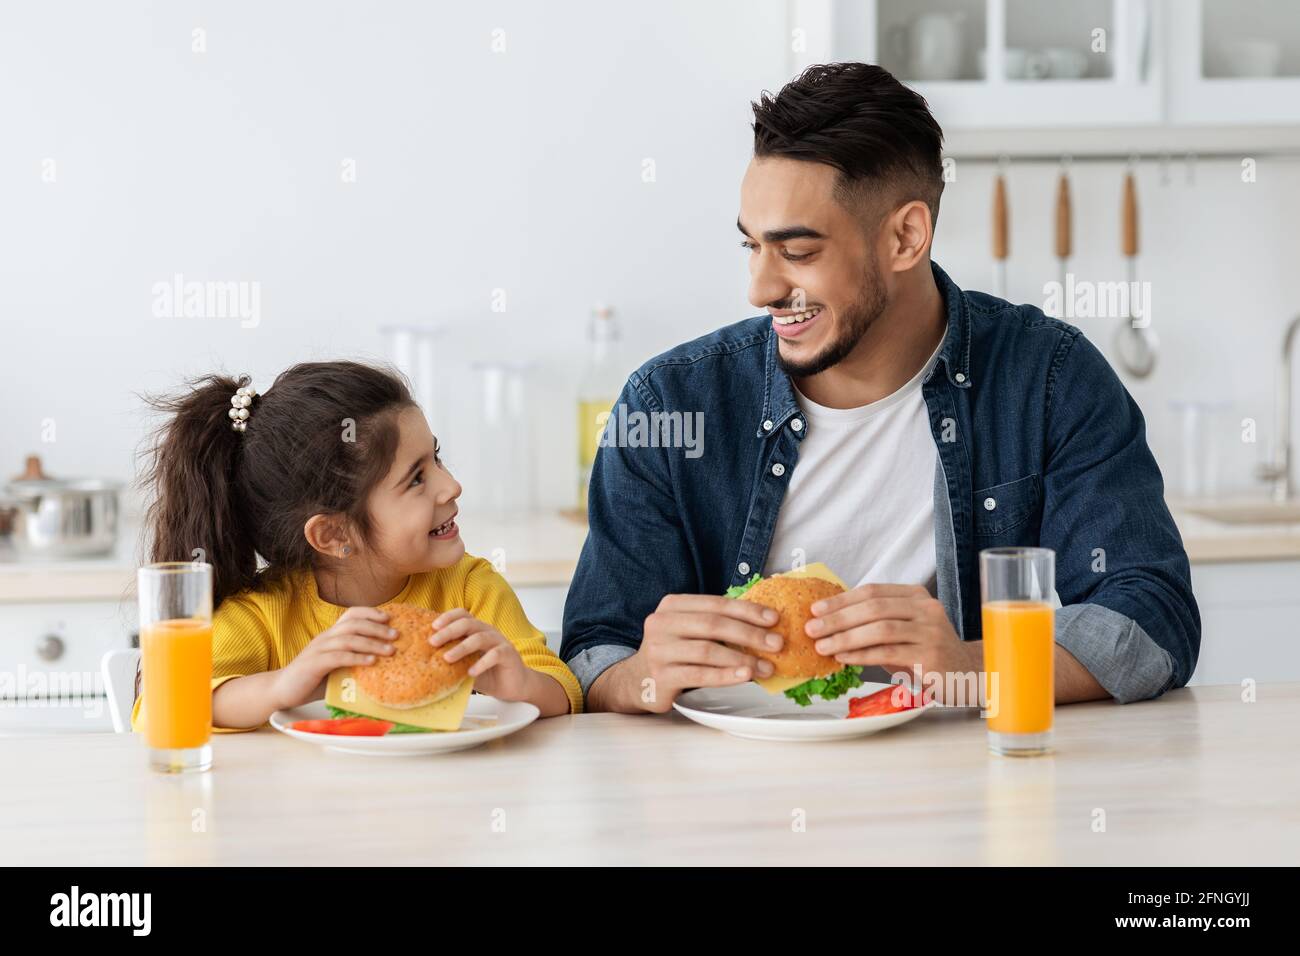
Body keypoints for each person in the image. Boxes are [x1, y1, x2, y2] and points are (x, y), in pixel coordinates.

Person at [561, 63, 1199, 714]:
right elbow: (591, 656)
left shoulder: (1049, 380)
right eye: (752, 246)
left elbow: (1152, 619)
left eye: (798, 252)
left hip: (964, 788)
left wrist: (974, 666)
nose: (760, 288)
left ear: (905, 236)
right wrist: (646, 672)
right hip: (733, 792)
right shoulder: (668, 404)